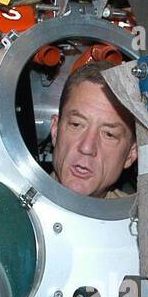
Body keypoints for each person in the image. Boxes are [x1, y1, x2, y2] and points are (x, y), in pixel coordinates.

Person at [50, 60, 139, 199]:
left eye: (109, 134)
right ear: (55, 130)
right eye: (76, 125)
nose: (87, 148)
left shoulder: (144, 220)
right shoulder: (7, 209)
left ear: (130, 154)